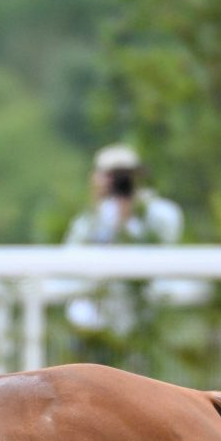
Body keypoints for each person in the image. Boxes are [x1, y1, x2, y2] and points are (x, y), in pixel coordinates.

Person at [61, 144, 184, 335]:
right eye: (113, 176)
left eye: (125, 176)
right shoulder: (90, 220)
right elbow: (69, 259)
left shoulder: (159, 213)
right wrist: (98, 207)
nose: (120, 182)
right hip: (95, 315)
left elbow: (166, 243)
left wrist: (130, 214)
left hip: (143, 313)